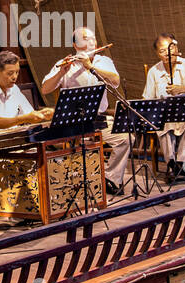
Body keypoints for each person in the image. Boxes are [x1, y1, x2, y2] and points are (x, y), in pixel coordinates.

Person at [41, 27, 131, 195]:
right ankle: (76, 182)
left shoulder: (103, 61)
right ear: (75, 45)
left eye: (93, 39)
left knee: (125, 138)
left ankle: (111, 178)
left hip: (98, 120)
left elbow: (115, 81)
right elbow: (45, 88)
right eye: (86, 39)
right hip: (72, 122)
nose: (92, 42)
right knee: (78, 148)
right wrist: (61, 72)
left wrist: (90, 67)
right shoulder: (65, 63)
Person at [142, 33, 185, 182]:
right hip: (165, 114)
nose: (168, 53)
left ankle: (182, 164)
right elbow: (147, 97)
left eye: (171, 47)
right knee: (163, 124)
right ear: (157, 54)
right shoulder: (154, 71)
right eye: (162, 51)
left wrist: (181, 89)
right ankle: (171, 164)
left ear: (176, 47)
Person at [0, 50, 51, 131]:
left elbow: (29, 113)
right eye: (10, 73)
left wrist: (42, 114)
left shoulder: (14, 88)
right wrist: (24, 118)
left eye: (17, 72)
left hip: (9, 136)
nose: (15, 77)